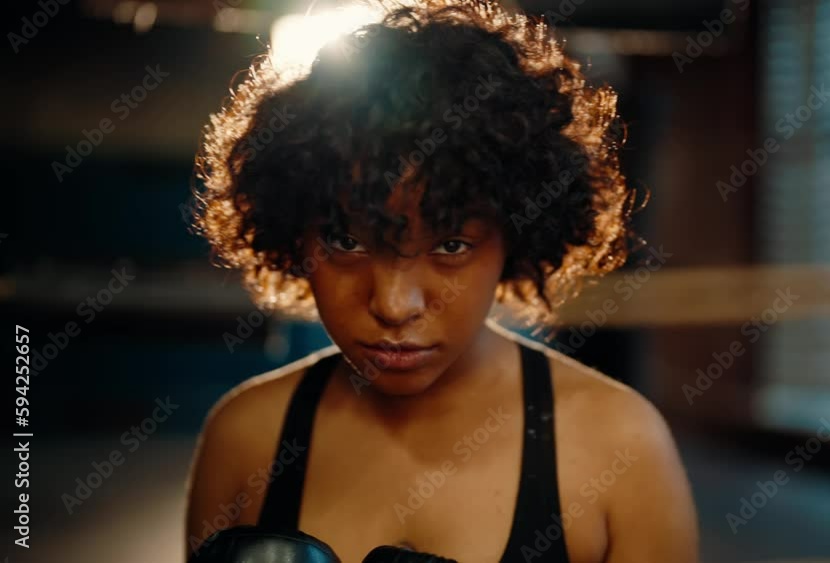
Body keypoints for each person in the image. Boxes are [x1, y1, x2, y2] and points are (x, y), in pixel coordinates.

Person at [184, 0, 699, 561]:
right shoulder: (246, 438)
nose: (395, 304)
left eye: (452, 245)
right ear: (294, 234)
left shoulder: (620, 445)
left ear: (517, 238)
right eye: (348, 242)